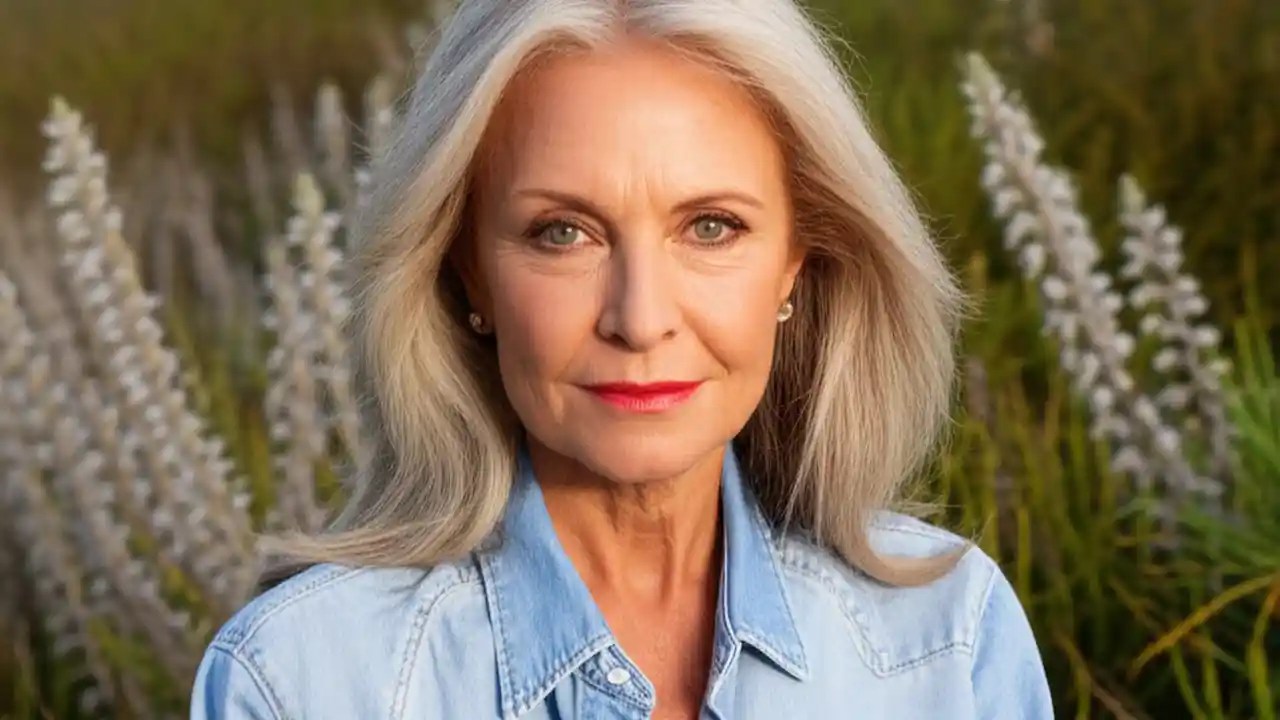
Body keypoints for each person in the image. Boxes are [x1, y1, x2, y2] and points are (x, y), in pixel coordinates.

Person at [189, 0, 1054, 718]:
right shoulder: (301, 681)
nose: (640, 320)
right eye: (562, 233)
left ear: (796, 261)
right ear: (466, 275)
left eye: (711, 227)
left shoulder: (946, 642)